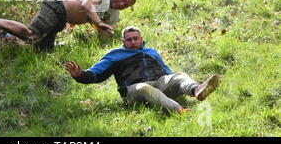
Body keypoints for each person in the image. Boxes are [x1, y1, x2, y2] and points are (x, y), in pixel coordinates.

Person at [65, 26, 220, 114]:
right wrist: (80, 75)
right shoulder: (115, 55)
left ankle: (197, 90)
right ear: (123, 41)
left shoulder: (152, 52)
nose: (133, 42)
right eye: (129, 39)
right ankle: (179, 110)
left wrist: (175, 82)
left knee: (180, 75)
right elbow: (97, 73)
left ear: (141, 39)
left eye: (135, 38)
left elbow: (168, 73)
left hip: (159, 84)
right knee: (145, 88)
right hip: (134, 90)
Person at [0, 0, 137, 50]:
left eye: (125, 5)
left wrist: (107, 46)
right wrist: (99, 22)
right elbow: (86, 5)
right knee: (31, 35)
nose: (121, 4)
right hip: (57, 6)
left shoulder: (114, 15)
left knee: (38, 48)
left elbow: (103, 35)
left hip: (61, 20)